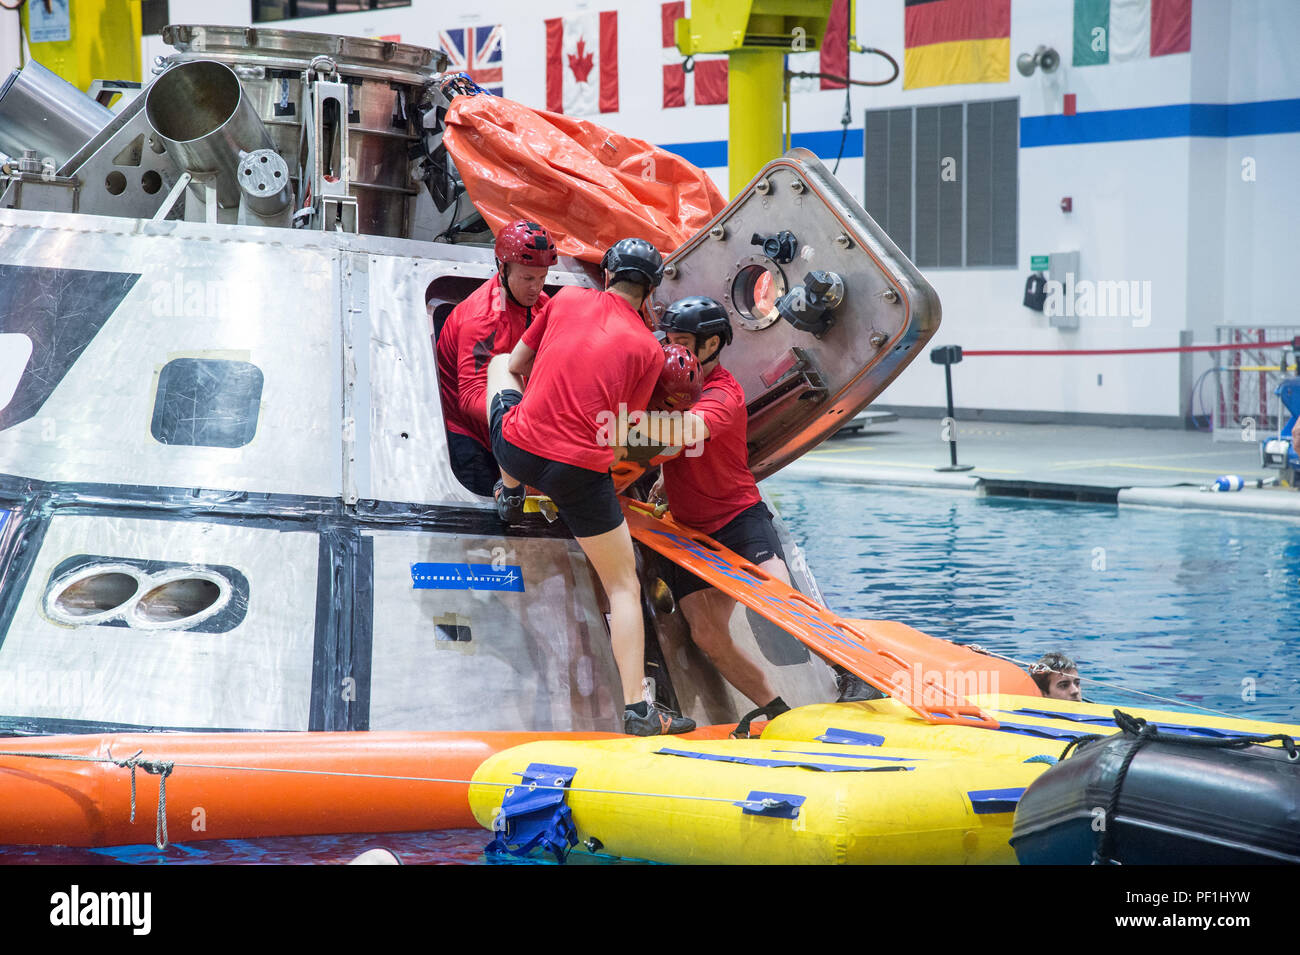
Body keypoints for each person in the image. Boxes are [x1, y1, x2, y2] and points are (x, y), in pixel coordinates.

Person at [483, 237, 696, 737]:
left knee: (496, 370)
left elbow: (515, 366)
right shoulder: (648, 347)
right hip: (579, 475)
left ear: (607, 275)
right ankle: (639, 711)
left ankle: (509, 492)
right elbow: (621, 426)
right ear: (649, 293)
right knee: (623, 586)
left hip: (519, 450)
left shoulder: (566, 301)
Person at [646, 296, 793, 731]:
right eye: (668, 340)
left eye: (684, 342)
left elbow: (684, 431)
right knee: (708, 635)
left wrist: (606, 430)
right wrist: (663, 480)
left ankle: (850, 672)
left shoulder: (723, 393)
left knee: (780, 598)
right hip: (690, 530)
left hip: (738, 517)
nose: (673, 349)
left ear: (712, 345)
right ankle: (775, 708)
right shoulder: (669, 382)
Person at [435, 220, 555, 496]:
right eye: (527, 278)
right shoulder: (483, 318)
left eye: (542, 278)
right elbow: (470, 397)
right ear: (502, 269)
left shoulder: (542, 306)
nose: (536, 289)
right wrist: (528, 417)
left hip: (512, 425)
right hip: (470, 436)